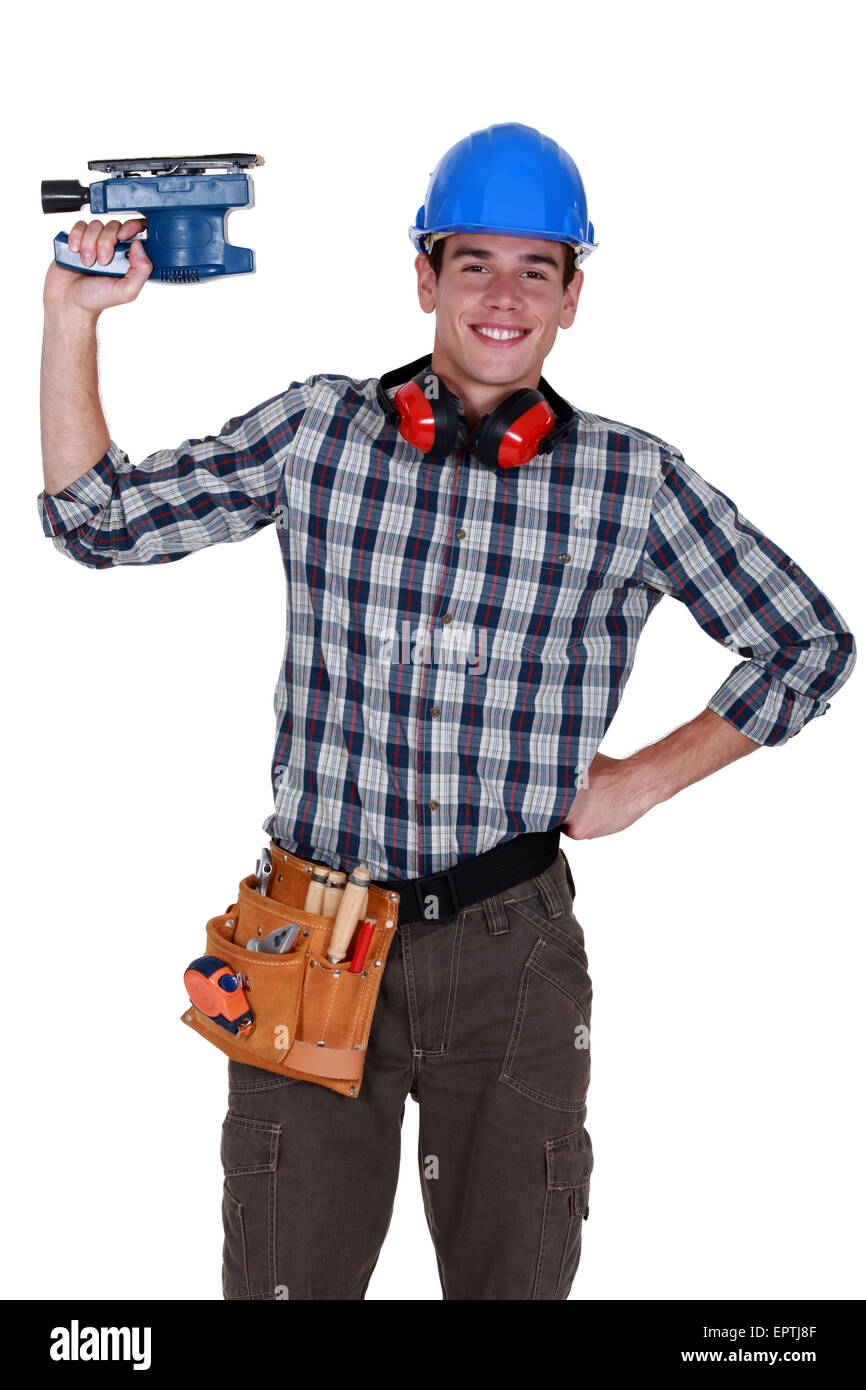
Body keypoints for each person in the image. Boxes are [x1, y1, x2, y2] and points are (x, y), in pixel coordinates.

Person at [38, 123, 856, 1301]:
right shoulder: (318, 429)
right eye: (473, 261)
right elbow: (96, 522)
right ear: (424, 276)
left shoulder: (631, 482)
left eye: (537, 268)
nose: (502, 294)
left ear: (573, 295)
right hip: (307, 936)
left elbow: (807, 641)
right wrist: (74, 318)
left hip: (508, 950)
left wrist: (644, 778)